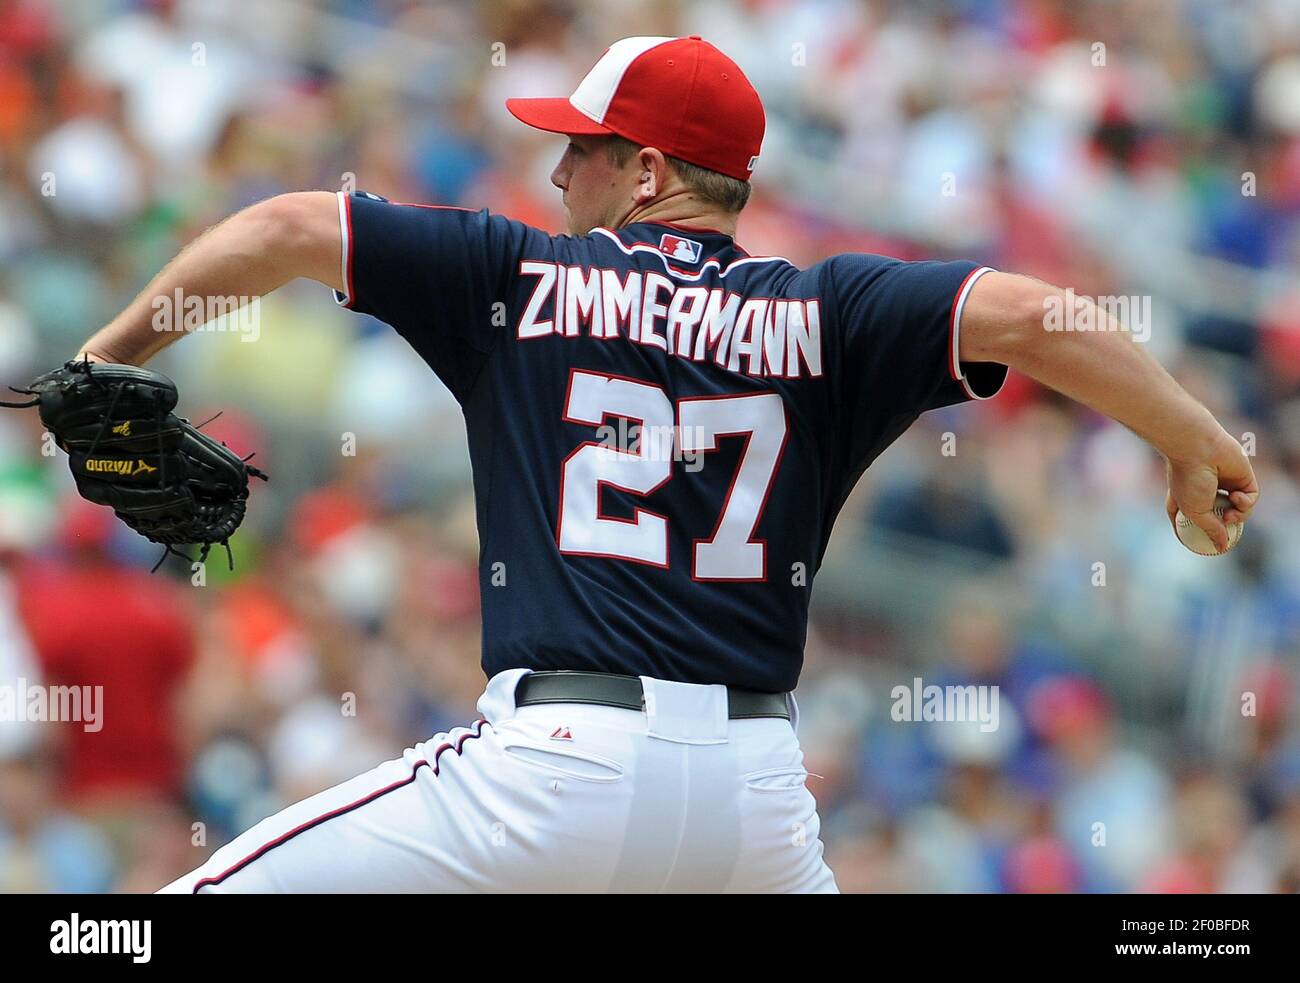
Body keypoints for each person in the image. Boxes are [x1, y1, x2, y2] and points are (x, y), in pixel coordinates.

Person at [70, 36, 1255, 893]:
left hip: (549, 775)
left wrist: (104, 354)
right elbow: (1040, 319)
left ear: (644, 172)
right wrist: (1197, 441)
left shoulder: (517, 276)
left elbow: (284, 228)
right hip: (753, 803)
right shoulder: (832, 309)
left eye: (579, 150)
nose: (554, 175)